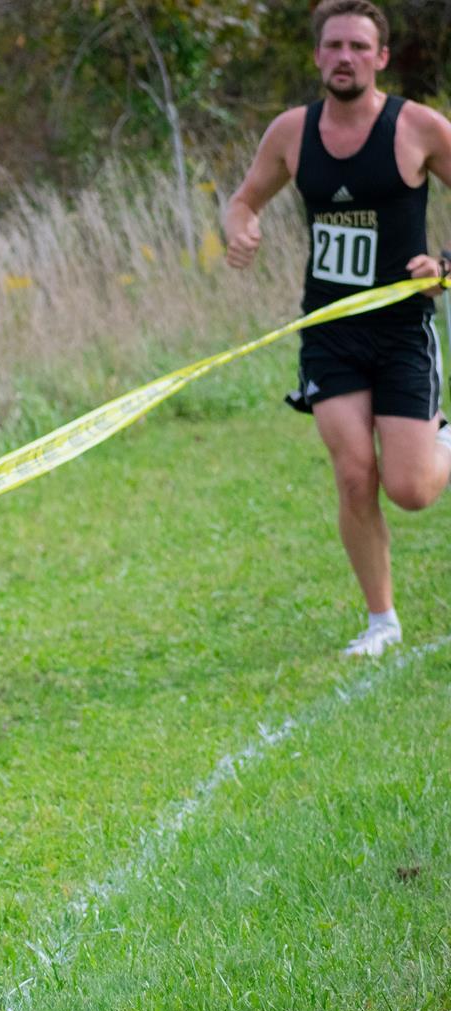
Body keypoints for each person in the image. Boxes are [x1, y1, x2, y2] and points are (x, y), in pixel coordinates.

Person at [224, 0, 451, 657]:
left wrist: (443, 266)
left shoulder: (418, 127)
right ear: (318, 56)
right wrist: (240, 227)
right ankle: (382, 623)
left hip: (404, 330)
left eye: (358, 46)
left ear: (381, 57)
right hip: (330, 332)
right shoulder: (292, 133)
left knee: (409, 489)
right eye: (333, 46)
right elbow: (243, 199)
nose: (344, 57)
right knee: (354, 475)